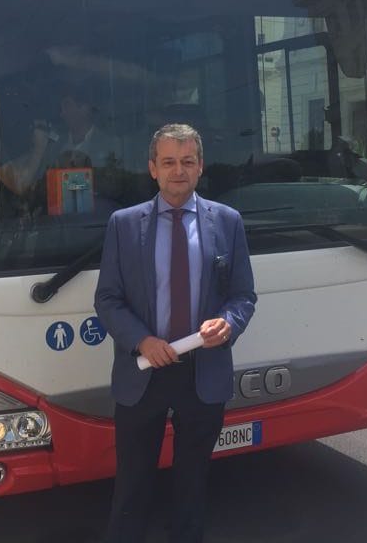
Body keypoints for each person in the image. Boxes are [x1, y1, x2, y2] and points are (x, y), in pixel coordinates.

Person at [94, 123, 257, 543]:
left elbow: (243, 295)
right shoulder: (124, 225)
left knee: (192, 488)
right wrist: (142, 340)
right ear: (153, 168)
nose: (178, 171)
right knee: (131, 488)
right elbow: (108, 299)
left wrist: (230, 322)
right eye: (168, 162)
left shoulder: (227, 222)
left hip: (203, 375)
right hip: (142, 372)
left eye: (187, 162)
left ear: (200, 167)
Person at [0, 79, 120, 196]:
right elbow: (22, 184)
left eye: (67, 105)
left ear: (85, 109)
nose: (62, 113)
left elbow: (112, 189)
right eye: (61, 108)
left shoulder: (110, 146)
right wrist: (37, 150)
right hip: (55, 219)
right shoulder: (53, 146)